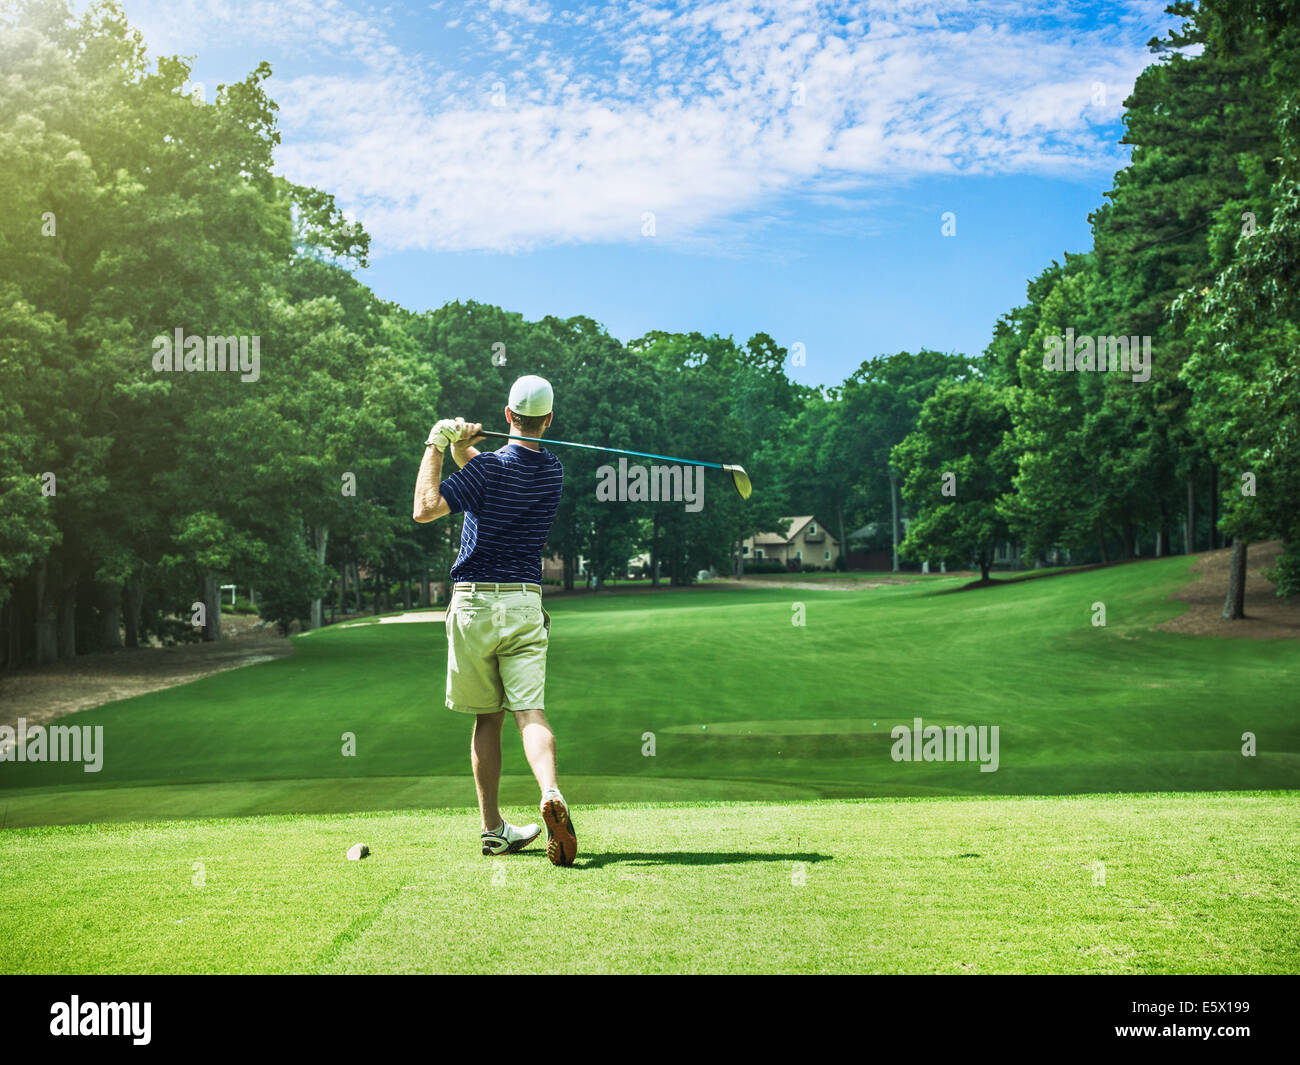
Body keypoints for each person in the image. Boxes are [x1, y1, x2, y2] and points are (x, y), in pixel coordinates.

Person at [412, 375, 577, 866]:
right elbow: (494, 474)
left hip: (475, 605)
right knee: (531, 713)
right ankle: (551, 791)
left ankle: (492, 830)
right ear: (548, 420)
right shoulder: (552, 471)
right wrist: (466, 448)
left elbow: (425, 509)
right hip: (525, 604)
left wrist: (437, 443)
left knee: (488, 717)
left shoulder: (487, 474)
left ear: (508, 415)